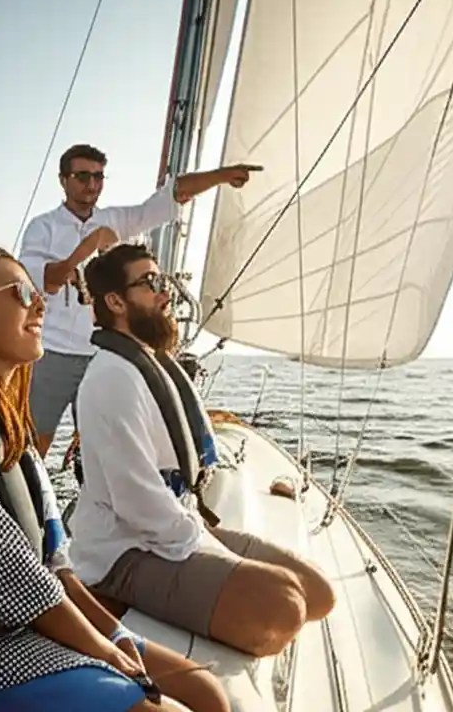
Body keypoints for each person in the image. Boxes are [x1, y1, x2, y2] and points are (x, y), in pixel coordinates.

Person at [0, 243, 228, 712]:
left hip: (32, 623)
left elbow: (56, 564)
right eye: (21, 292)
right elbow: (16, 581)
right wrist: (107, 653)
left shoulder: (7, 428)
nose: (41, 301)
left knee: (207, 692)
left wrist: (117, 634)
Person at [67, 244, 336, 658]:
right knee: (284, 608)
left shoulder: (151, 364)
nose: (166, 293)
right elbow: (138, 505)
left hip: (173, 527)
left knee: (319, 594)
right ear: (116, 302)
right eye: (151, 282)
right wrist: (214, 551)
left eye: (166, 281)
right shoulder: (111, 378)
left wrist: (205, 540)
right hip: (123, 552)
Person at [17, 143, 261, 456]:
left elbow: (169, 198)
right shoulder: (43, 227)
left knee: (104, 446)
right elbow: (48, 281)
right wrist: (90, 246)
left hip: (104, 353)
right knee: (34, 444)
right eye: (82, 176)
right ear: (63, 180)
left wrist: (222, 175)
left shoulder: (117, 219)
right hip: (53, 354)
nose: (92, 184)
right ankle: (30, 503)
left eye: (98, 177)